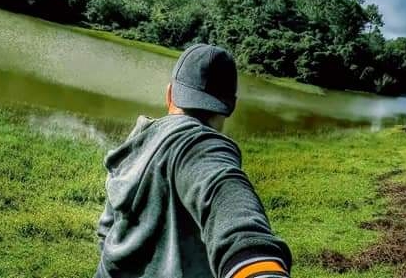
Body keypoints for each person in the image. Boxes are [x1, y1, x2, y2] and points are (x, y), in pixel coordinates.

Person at [95, 44, 292, 278]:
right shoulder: (201, 146)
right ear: (231, 105)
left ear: (169, 93)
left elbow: (106, 229)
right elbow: (236, 220)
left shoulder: (138, 138)